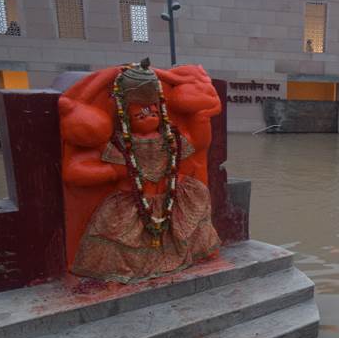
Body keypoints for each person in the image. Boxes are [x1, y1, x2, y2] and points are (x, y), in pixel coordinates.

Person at [59, 60, 222, 283]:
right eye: (140, 115)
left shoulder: (170, 138)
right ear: (125, 118)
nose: (149, 117)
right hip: (133, 201)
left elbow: (196, 146)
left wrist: (202, 116)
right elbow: (75, 171)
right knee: (121, 237)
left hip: (171, 197)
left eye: (154, 112)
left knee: (191, 214)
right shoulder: (120, 143)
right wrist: (114, 173)